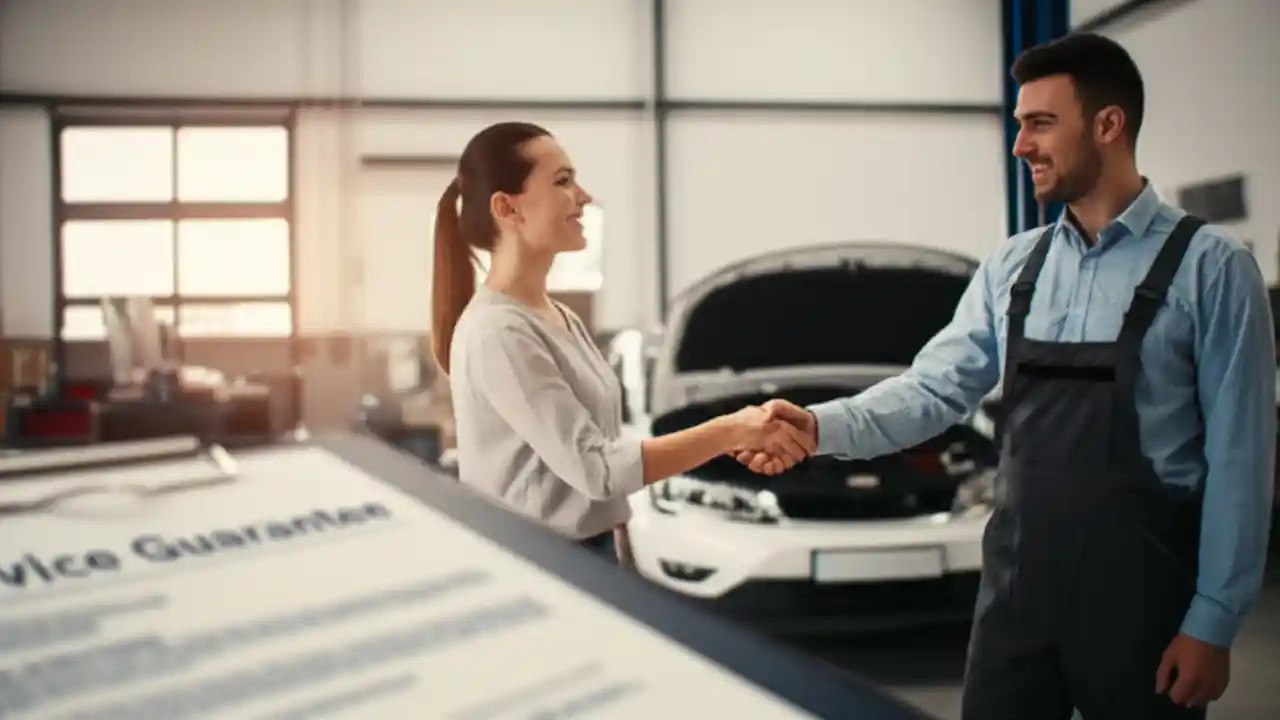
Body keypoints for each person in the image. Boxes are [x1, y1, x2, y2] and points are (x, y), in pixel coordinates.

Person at [739, 33, 1275, 718]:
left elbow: (1241, 458)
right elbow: (932, 390)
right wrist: (818, 426)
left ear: (1108, 125)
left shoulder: (1213, 269)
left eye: (1040, 124)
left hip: (1144, 600)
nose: (1021, 145)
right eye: (1020, 126)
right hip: (1018, 594)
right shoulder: (1012, 269)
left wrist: (1214, 619)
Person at [431, 122, 811, 565]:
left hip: (595, 551)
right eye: (563, 181)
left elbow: (604, 448)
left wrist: (729, 439)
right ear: (507, 208)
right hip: (545, 562)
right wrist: (730, 431)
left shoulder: (558, 317)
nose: (583, 195)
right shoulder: (498, 332)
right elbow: (598, 470)